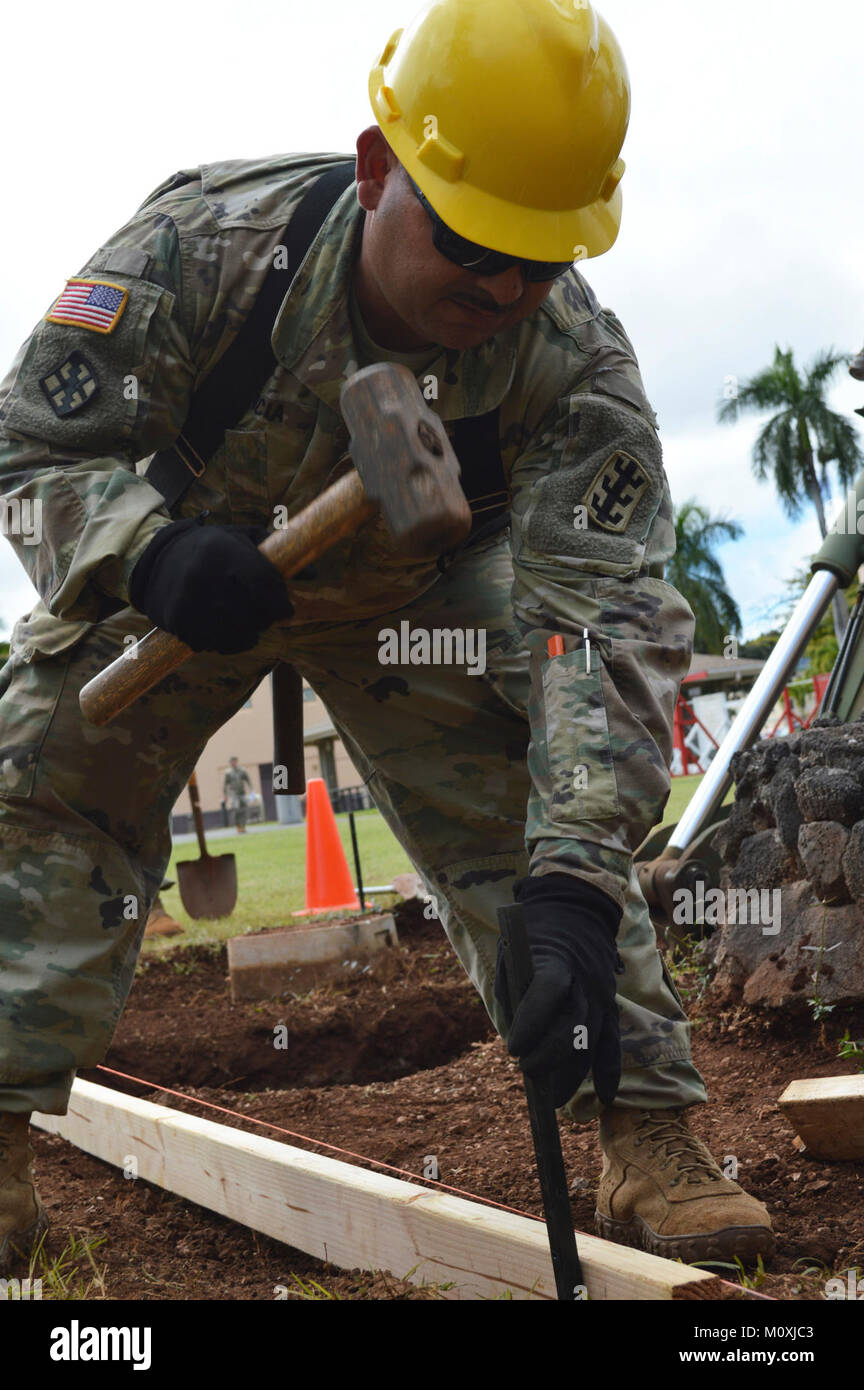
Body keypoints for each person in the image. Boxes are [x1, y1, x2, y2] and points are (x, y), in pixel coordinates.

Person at [0, 0, 772, 1275]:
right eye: (473, 245)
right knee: (43, 766)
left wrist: (577, 875)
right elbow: (29, 449)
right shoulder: (210, 247)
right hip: (188, 574)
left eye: (538, 257)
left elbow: (608, 621)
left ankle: (648, 1133)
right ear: (377, 170)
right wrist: (143, 549)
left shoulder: (572, 366)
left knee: (540, 803)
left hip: (422, 603)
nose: (503, 289)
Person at [222, 757, 253, 834]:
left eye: (234, 762)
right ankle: (238, 826)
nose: (233, 763)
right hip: (234, 794)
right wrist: (225, 796)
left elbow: (248, 780)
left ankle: (243, 826)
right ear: (230, 763)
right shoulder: (228, 772)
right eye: (232, 762)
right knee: (236, 810)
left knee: (244, 810)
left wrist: (252, 791)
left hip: (242, 793)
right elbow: (225, 785)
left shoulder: (242, 770)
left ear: (236, 762)